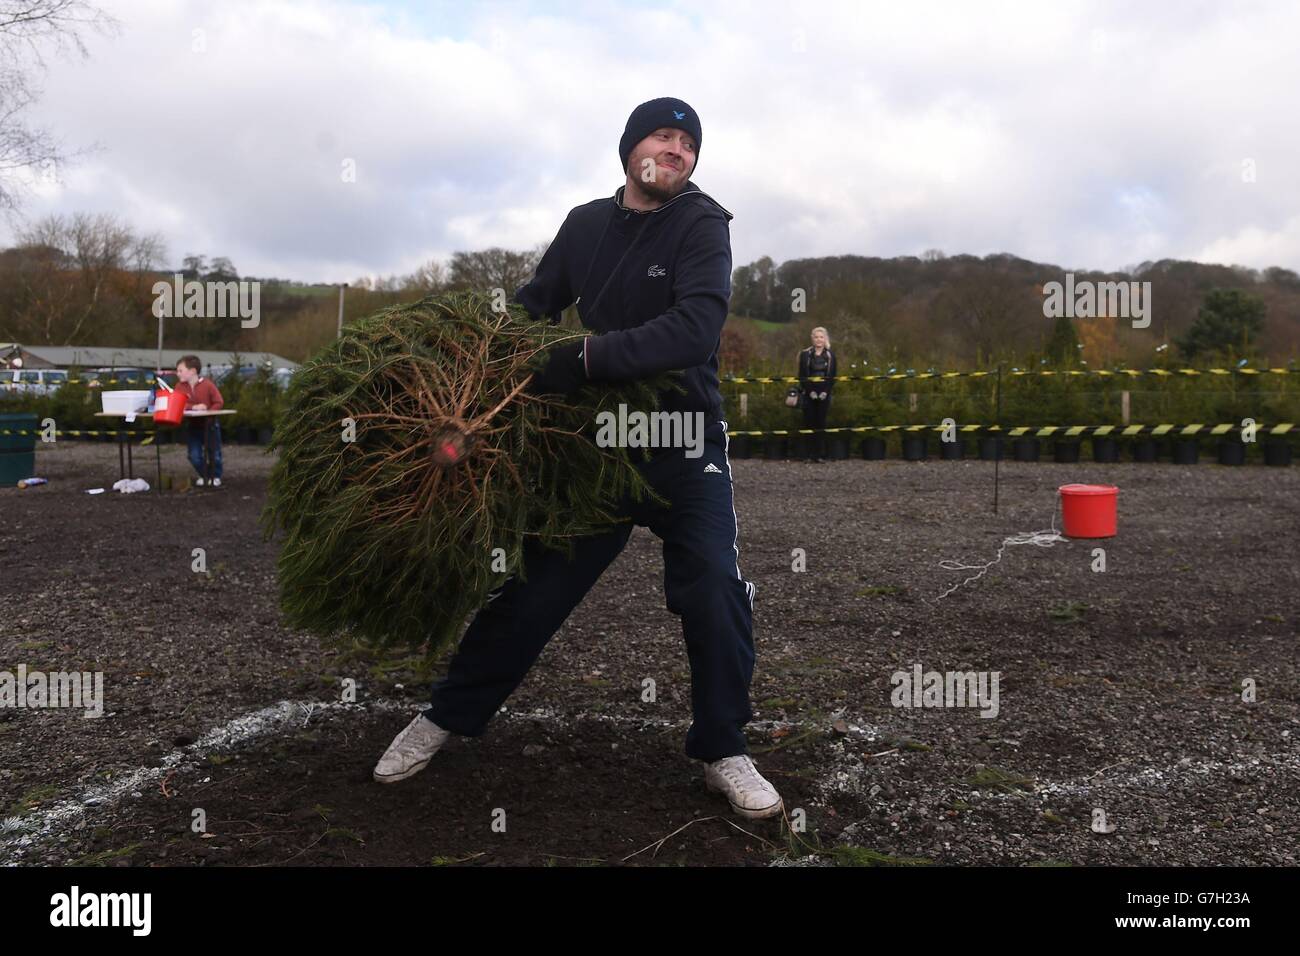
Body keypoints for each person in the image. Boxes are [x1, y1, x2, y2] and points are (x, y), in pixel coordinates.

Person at [374, 97, 782, 821]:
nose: (678, 149)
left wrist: (583, 357)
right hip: (597, 447)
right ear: (630, 148)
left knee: (715, 586)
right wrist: (477, 363)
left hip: (684, 444)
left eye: (690, 143)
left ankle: (724, 748)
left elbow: (693, 328)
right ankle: (445, 716)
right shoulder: (584, 225)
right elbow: (534, 308)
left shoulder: (702, 223)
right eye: (664, 135)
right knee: (532, 590)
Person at [174, 355, 224, 487]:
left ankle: (216, 476)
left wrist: (209, 413)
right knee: (194, 455)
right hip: (193, 426)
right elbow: (177, 404)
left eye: (180, 370)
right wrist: (193, 407)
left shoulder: (208, 385)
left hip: (210, 425)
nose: (177, 374)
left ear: (193, 371)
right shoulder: (179, 387)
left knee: (214, 453)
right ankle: (206, 475)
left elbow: (219, 402)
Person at [797, 327, 837, 462]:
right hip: (809, 393)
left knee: (821, 423)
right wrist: (810, 391)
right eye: (816, 337)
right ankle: (808, 455)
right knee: (808, 423)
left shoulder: (831, 355)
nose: (819, 339)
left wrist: (825, 392)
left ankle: (819, 455)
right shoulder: (805, 355)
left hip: (824, 393)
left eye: (821, 337)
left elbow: (832, 376)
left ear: (825, 339)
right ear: (812, 339)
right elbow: (802, 376)